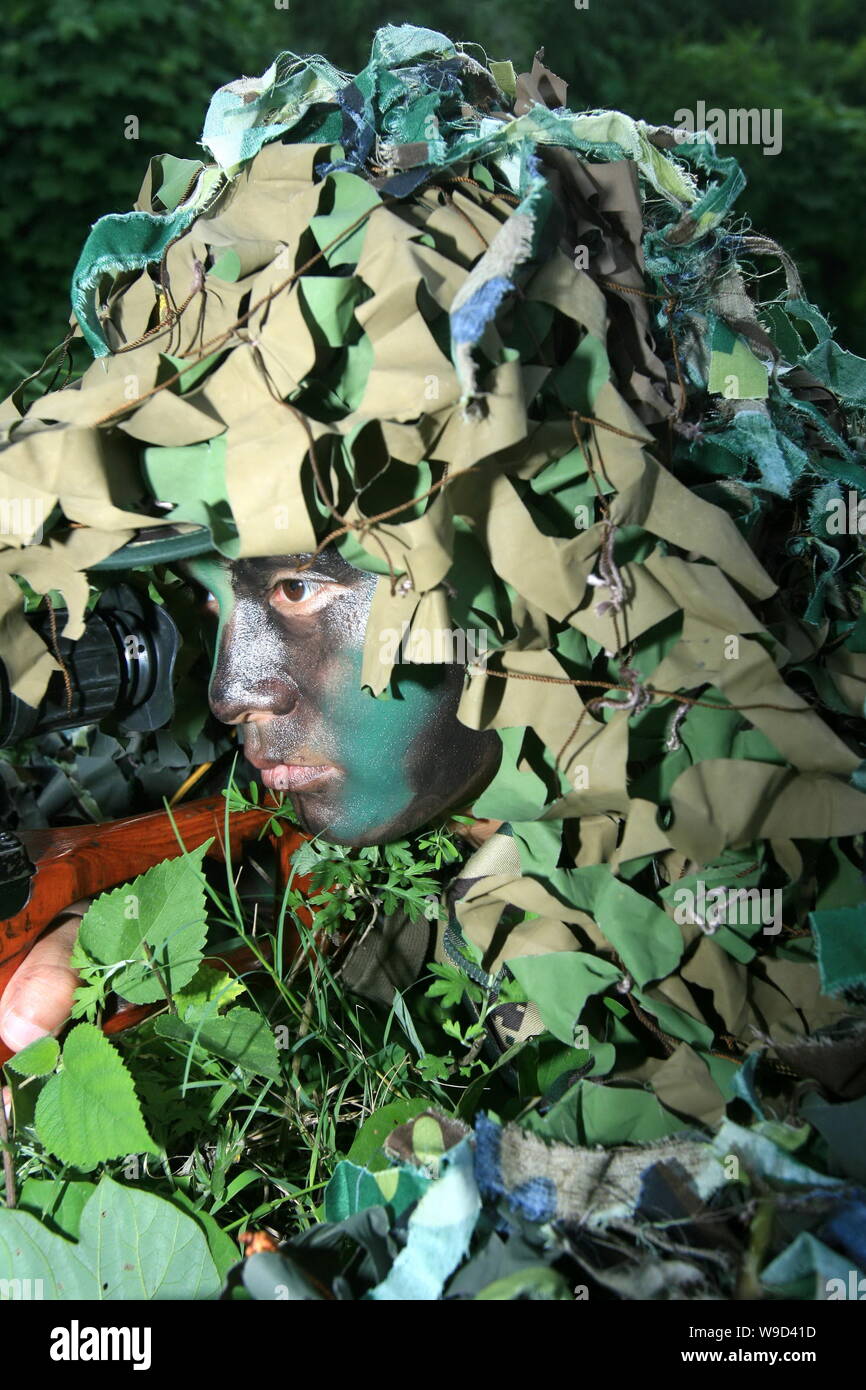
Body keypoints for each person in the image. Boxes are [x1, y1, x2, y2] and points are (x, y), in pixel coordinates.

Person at [2, 22, 866, 1140]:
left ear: (539, 569)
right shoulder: (499, 796)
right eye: (221, 596)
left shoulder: (801, 900)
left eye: (298, 590)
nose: (231, 689)